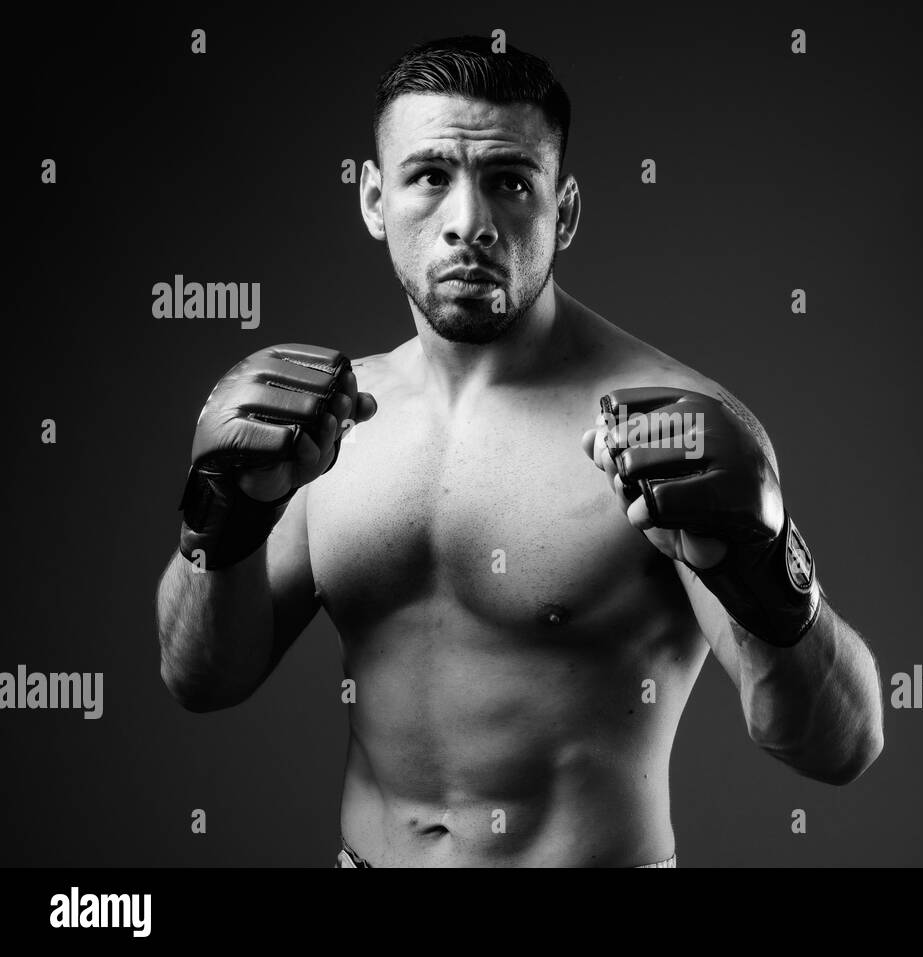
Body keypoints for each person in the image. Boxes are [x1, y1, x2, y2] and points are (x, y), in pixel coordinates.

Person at [155, 36, 884, 868]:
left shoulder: (668, 429)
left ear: (563, 210)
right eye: (430, 176)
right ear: (372, 199)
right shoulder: (328, 420)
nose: (469, 223)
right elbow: (202, 679)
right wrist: (220, 513)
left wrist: (768, 566)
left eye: (509, 181)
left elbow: (839, 745)